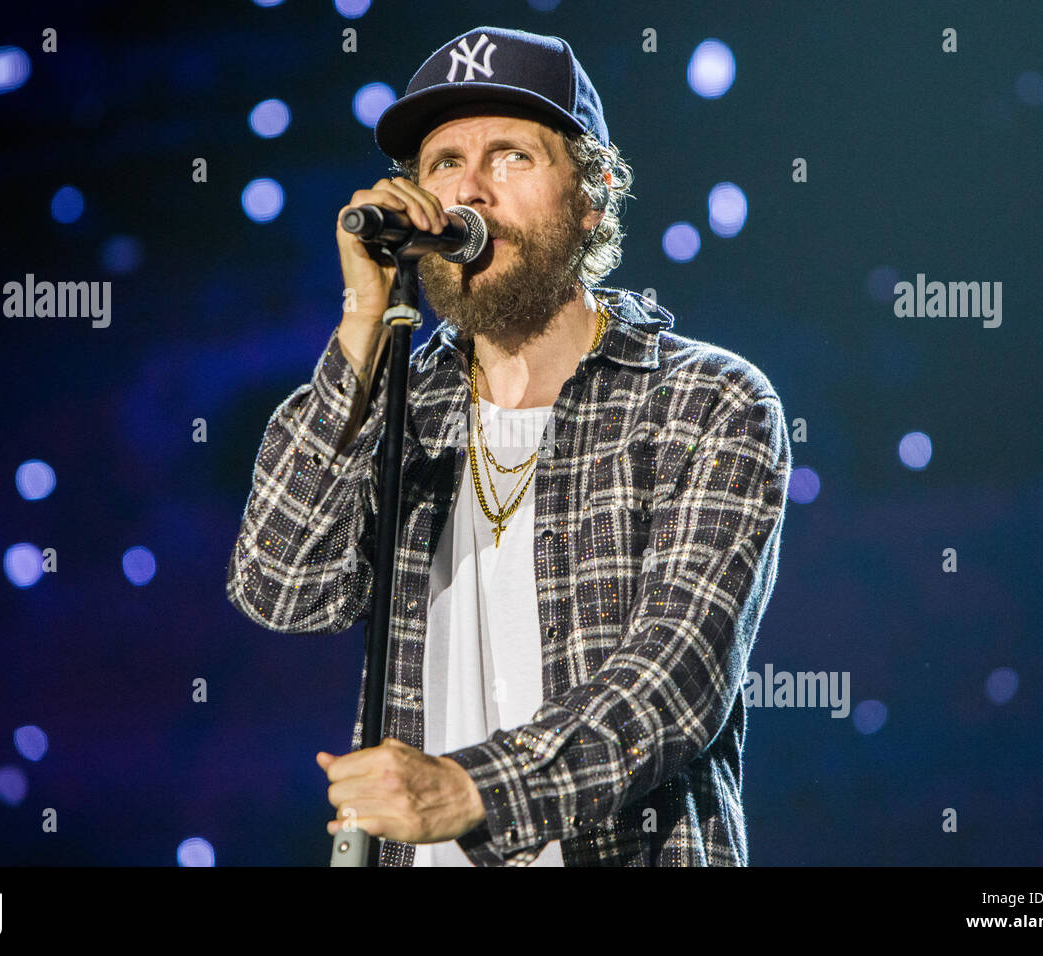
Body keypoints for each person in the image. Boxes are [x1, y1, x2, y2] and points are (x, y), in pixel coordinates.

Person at [225, 25, 792, 866]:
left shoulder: (705, 402)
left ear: (592, 194)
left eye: (510, 158)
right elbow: (281, 589)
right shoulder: (403, 408)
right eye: (444, 163)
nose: (470, 194)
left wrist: (470, 790)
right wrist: (360, 324)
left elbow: (673, 685)